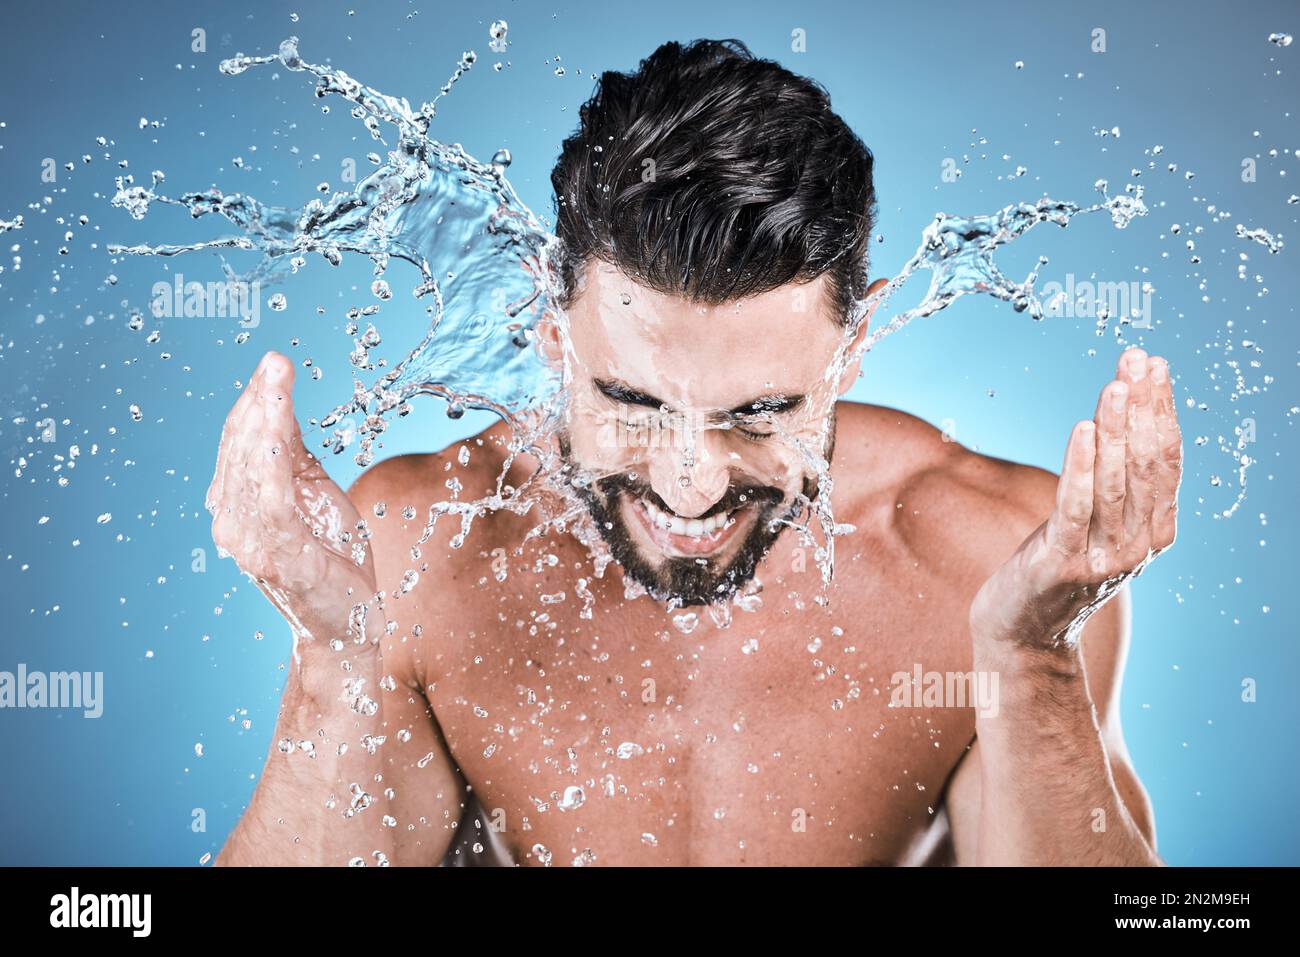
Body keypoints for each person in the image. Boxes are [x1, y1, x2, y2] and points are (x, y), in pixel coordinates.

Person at [210, 39, 1179, 867]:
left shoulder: (994, 559)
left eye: (757, 412)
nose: (690, 482)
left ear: (856, 344)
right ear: (552, 332)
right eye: (629, 401)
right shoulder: (423, 547)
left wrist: (1027, 658)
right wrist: (335, 662)